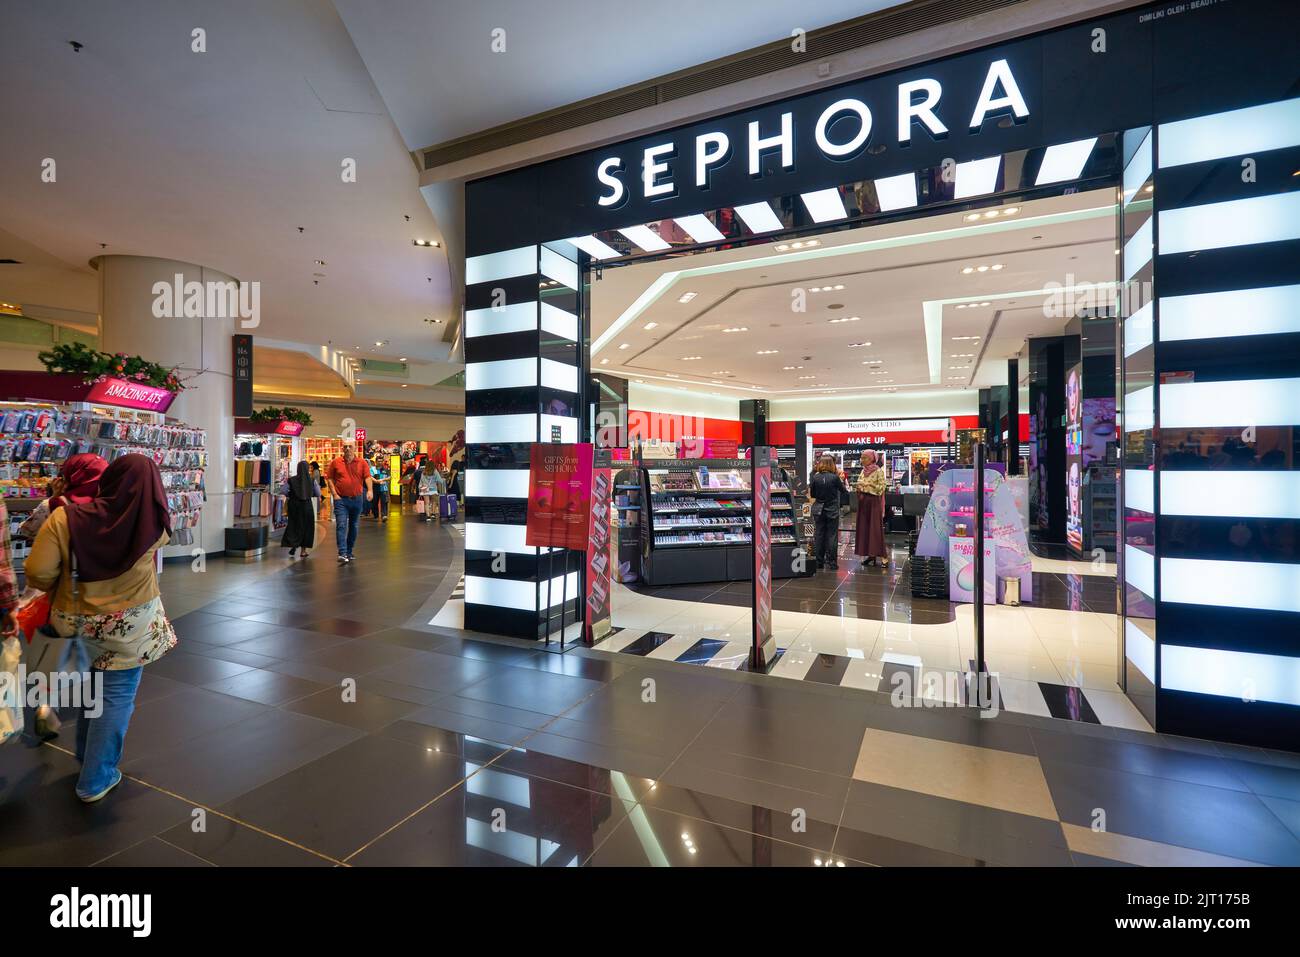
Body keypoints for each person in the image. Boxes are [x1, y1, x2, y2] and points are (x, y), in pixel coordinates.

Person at [25, 454, 177, 803]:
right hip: (130, 627)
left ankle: (87, 757)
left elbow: (38, 571)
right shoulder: (156, 525)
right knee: (116, 696)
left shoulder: (64, 518)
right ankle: (96, 777)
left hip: (75, 621)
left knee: (90, 690)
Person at [18, 453, 108, 740]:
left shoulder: (55, 506)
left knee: (51, 651)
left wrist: (53, 498)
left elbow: (27, 530)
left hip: (48, 593)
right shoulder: (106, 507)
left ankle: (46, 706)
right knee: (86, 653)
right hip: (90, 594)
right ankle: (90, 713)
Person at [325, 443, 372, 563]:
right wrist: (334, 494)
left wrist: (370, 490)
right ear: (342, 448)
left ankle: (349, 551)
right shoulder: (336, 462)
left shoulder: (362, 463)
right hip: (341, 499)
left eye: (350, 446)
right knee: (341, 525)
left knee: (354, 525)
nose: (347, 449)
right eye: (345, 446)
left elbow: (367, 477)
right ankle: (342, 552)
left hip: (357, 499)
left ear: (355, 448)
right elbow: (329, 478)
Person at [807, 454, 844, 571]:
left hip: (818, 509)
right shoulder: (834, 478)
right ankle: (832, 562)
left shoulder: (815, 478)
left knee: (819, 534)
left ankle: (819, 562)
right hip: (832, 509)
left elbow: (812, 494)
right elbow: (844, 491)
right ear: (832, 464)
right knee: (832, 536)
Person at [853, 450, 889, 568]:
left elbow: (882, 488)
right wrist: (860, 487)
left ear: (872, 459)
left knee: (875, 529)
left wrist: (867, 487)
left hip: (873, 503)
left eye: (864, 458)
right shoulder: (863, 471)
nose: (861, 460)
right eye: (861, 458)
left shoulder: (878, 471)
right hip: (863, 503)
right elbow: (859, 484)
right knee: (865, 529)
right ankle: (871, 555)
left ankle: (884, 556)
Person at [281, 461, 317, 558]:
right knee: (307, 527)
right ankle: (303, 551)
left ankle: (294, 545)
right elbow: (317, 492)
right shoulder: (312, 480)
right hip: (307, 505)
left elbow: (283, 490)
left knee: (294, 525)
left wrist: (291, 494)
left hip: (294, 505)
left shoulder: (291, 480)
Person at [369, 456, 390, 522]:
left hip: (384, 488)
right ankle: (376, 514)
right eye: (379, 461)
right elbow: (370, 477)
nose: (380, 462)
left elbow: (389, 477)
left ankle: (384, 515)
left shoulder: (385, 469)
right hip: (375, 488)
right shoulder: (372, 469)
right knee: (374, 502)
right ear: (376, 462)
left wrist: (383, 479)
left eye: (381, 461)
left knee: (384, 502)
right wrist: (376, 481)